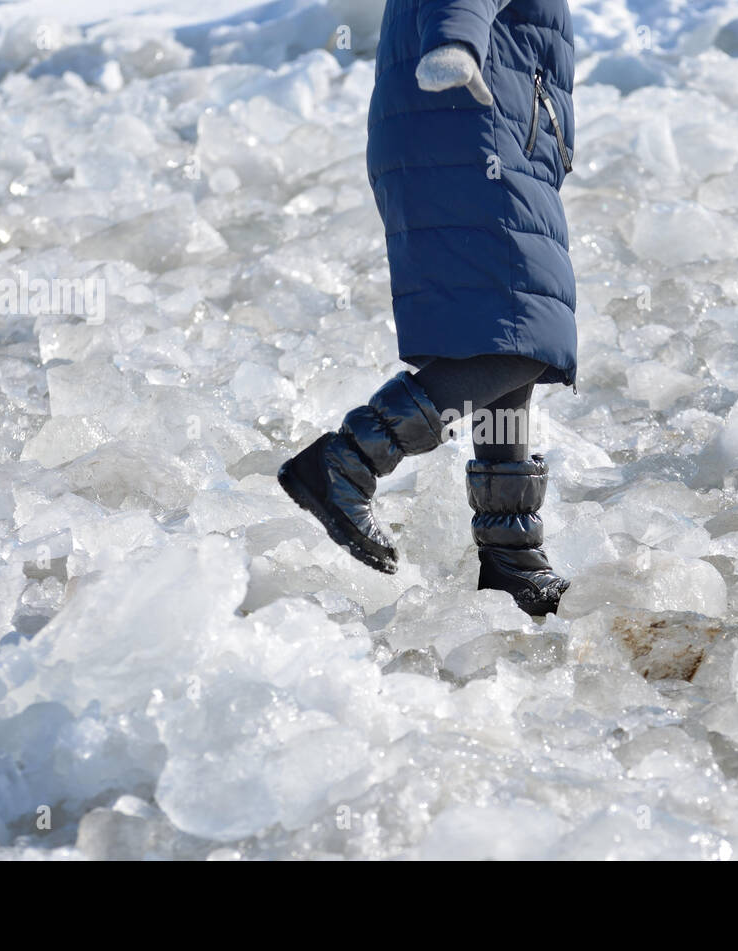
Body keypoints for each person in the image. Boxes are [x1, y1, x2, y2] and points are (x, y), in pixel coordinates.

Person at [279, 0, 577, 616]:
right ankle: (346, 463)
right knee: (521, 340)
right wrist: (457, 43)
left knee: (496, 334)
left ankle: (509, 553)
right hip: (471, 133)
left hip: (468, 134)